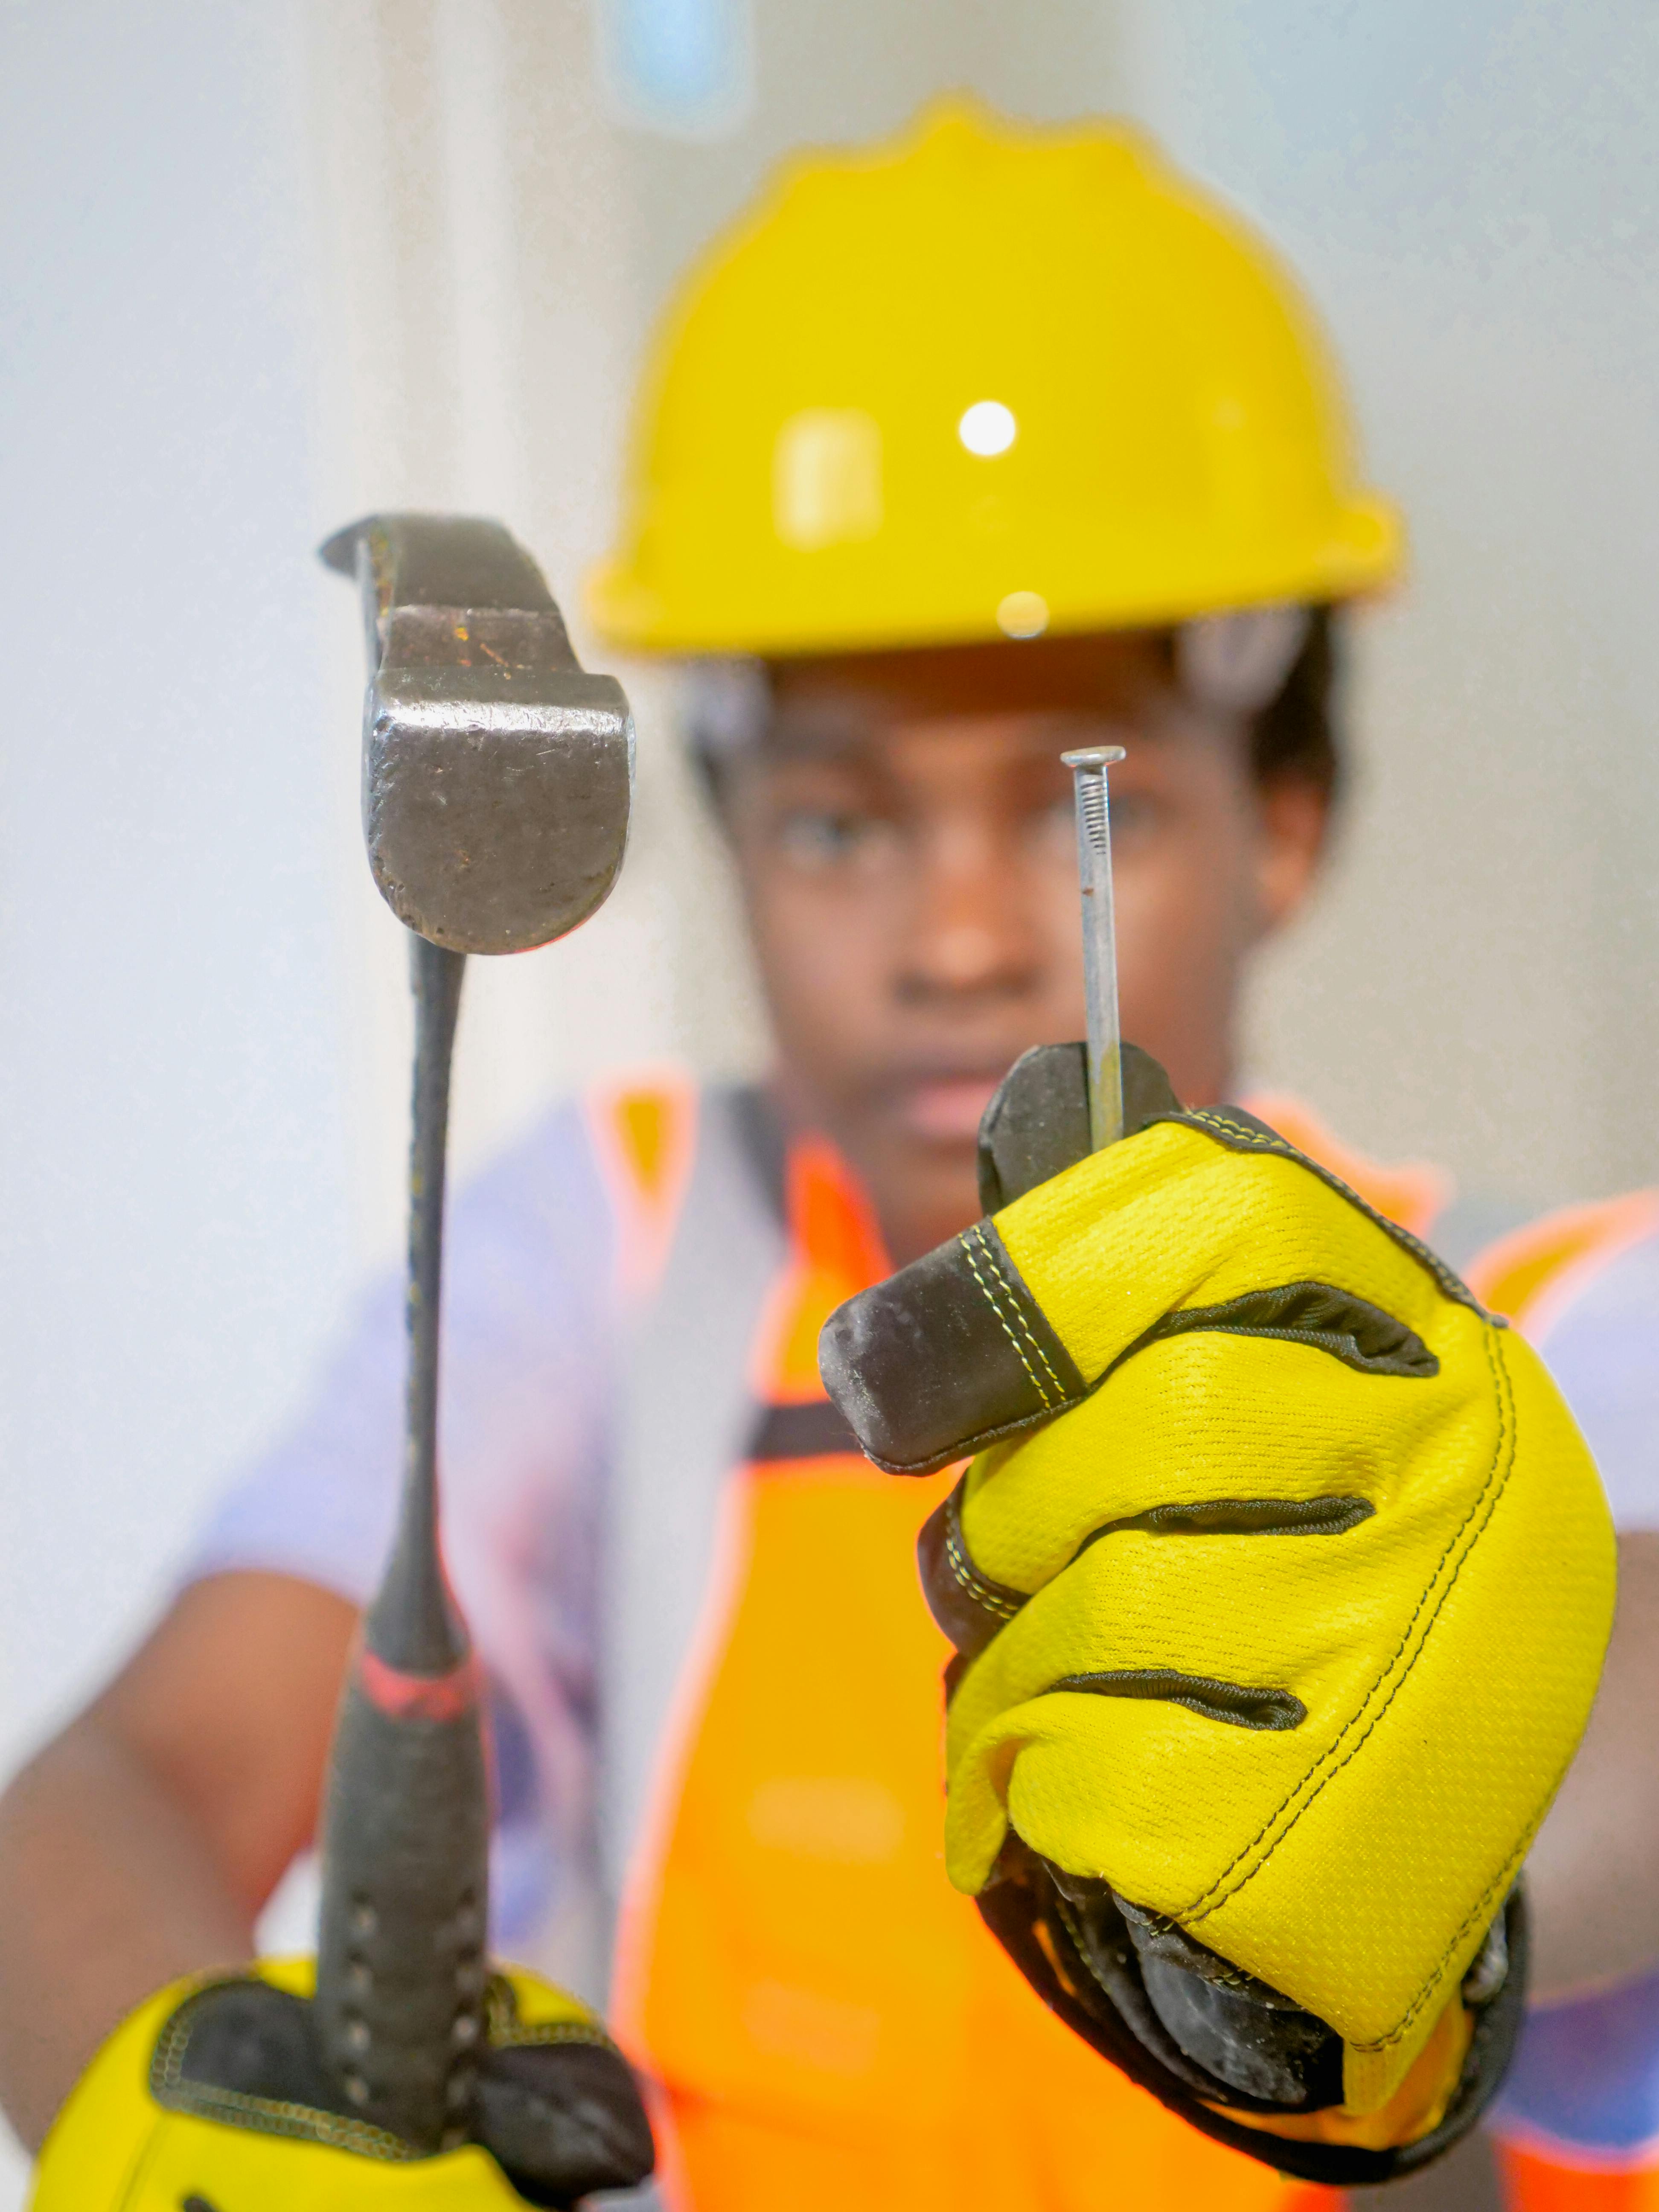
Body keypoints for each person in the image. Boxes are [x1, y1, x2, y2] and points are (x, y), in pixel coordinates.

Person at [2, 100, 1656, 2212]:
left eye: (1091, 809)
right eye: (844, 821)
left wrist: (1439, 1757)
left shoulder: (1546, 1325)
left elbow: (1635, 1720)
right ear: (731, 836)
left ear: (1292, 822)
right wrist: (176, 2103)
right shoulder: (615, 1247)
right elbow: (118, 1789)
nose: (959, 942)